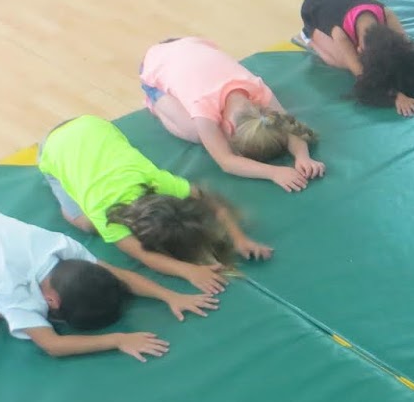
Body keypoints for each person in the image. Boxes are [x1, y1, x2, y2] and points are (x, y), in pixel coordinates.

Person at [0, 199, 212, 361]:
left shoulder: (61, 246)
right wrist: (118, 340)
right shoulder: (13, 292)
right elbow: (52, 344)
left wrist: (170, 295)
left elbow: (116, 274)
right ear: (52, 301)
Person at [38, 115, 269, 295]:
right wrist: (189, 271)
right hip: (54, 145)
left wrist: (239, 237)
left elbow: (212, 202)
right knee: (85, 224)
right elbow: (144, 256)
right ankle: (61, 186)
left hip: (94, 127)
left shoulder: (157, 181)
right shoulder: (106, 216)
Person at [139, 37, 323, 192]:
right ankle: (156, 104)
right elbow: (226, 161)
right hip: (155, 61)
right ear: (229, 127)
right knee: (195, 133)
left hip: (191, 44)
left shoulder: (258, 90)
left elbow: (288, 124)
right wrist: (274, 173)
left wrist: (303, 156)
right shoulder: (203, 108)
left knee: (207, 131)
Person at [297, 0, 414, 116]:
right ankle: (310, 38)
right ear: (359, 48)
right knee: (342, 62)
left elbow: (411, 53)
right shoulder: (340, 34)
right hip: (314, 8)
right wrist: (396, 95)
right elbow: (362, 75)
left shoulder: (387, 15)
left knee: (396, 56)